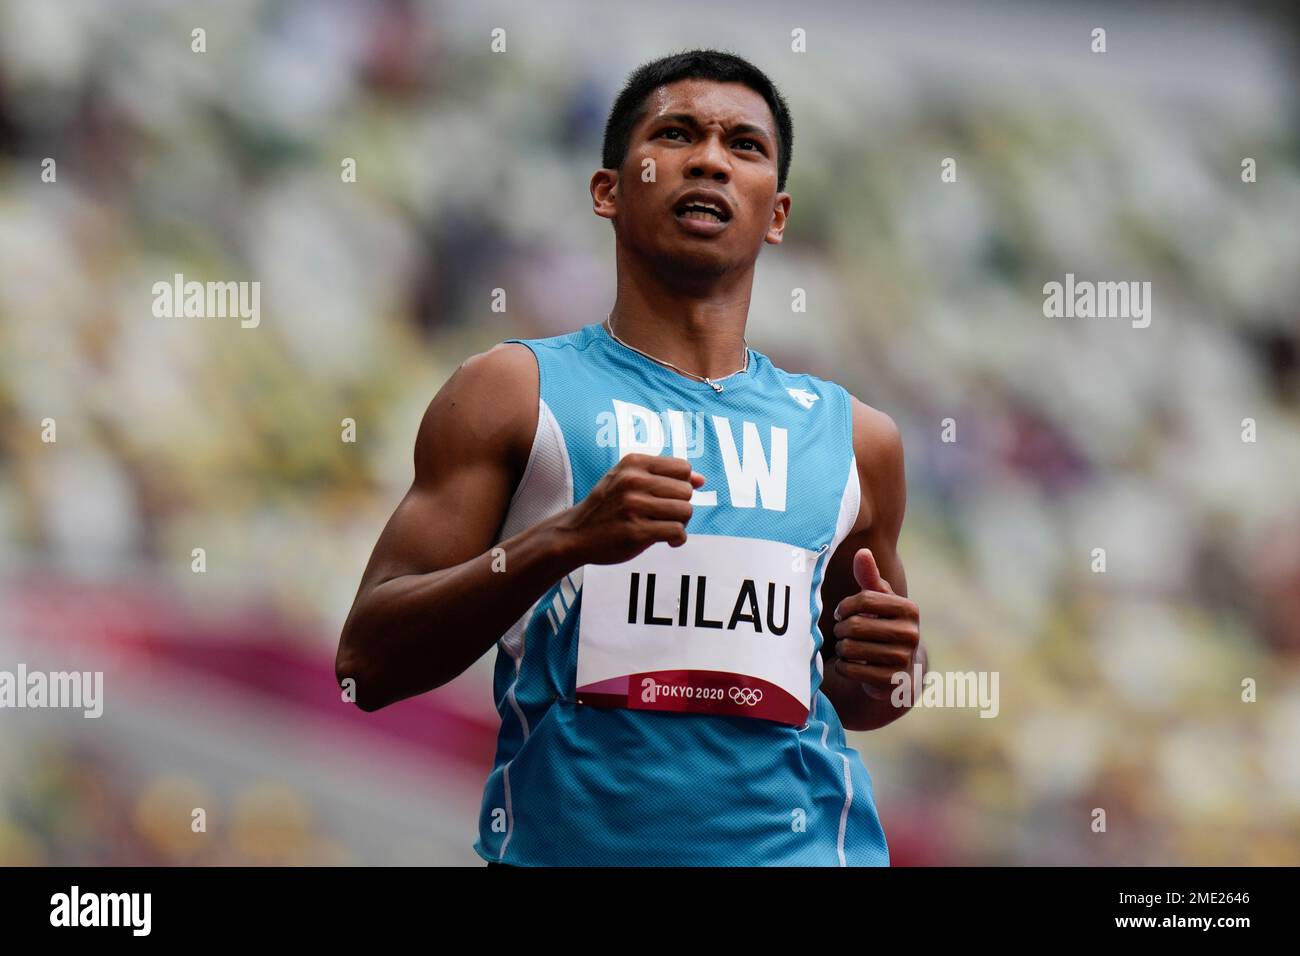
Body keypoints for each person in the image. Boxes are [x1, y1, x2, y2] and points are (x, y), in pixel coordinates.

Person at [335, 49, 926, 866]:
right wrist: (562, 541)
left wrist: (897, 665)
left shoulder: (857, 438)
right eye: (677, 134)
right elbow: (365, 669)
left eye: (745, 146)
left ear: (777, 212)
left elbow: (865, 696)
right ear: (609, 188)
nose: (711, 159)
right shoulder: (513, 392)